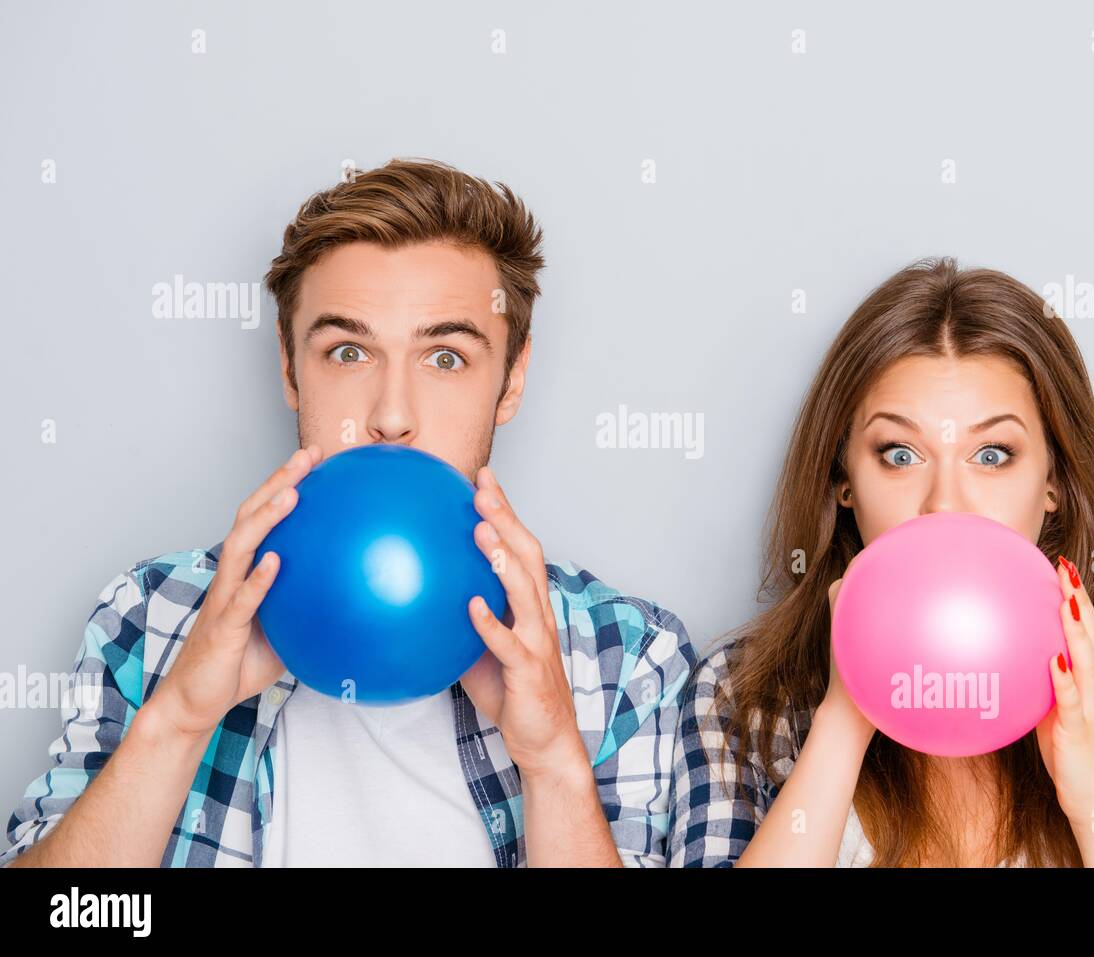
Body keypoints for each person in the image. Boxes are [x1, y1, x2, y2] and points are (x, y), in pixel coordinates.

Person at [3, 158, 695, 868]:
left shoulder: (625, 657)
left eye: (446, 358)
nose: (391, 416)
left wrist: (552, 761)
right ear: (289, 367)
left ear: (512, 378)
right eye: (348, 350)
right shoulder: (149, 615)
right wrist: (177, 718)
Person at [667, 258, 1094, 867]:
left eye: (993, 454)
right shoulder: (742, 704)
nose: (945, 504)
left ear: (1052, 482)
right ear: (844, 480)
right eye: (900, 454)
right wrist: (842, 724)